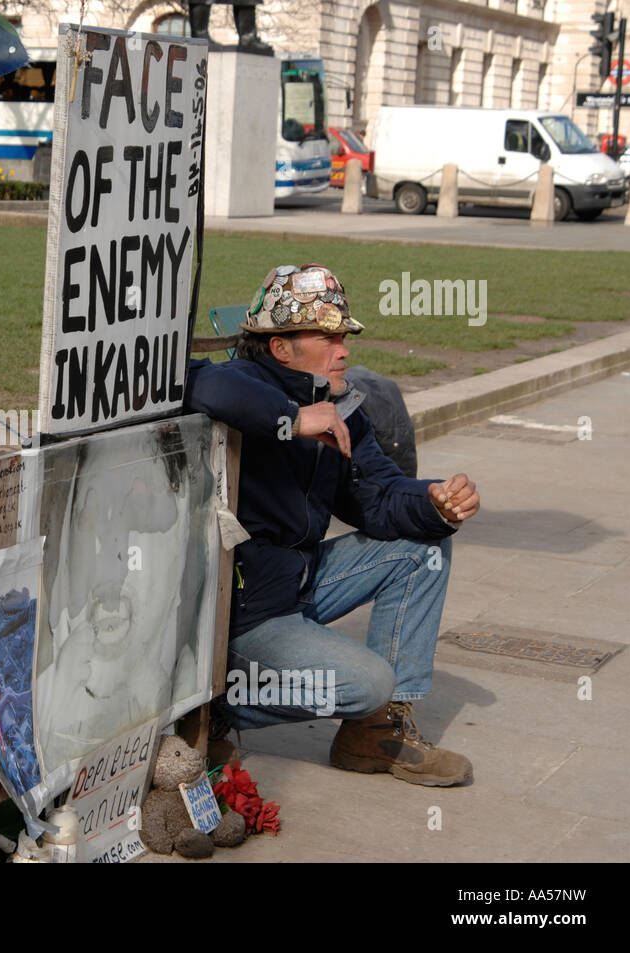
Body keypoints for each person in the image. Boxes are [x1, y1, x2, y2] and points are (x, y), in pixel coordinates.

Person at [185, 263, 480, 787]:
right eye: (326, 335)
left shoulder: (340, 406)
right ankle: (210, 709)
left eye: (343, 335)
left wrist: (433, 500)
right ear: (281, 347)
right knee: (368, 681)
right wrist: (293, 420)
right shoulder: (243, 380)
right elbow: (196, 381)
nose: (343, 348)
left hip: (298, 583)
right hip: (248, 609)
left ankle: (376, 732)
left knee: (425, 546)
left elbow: (378, 498)